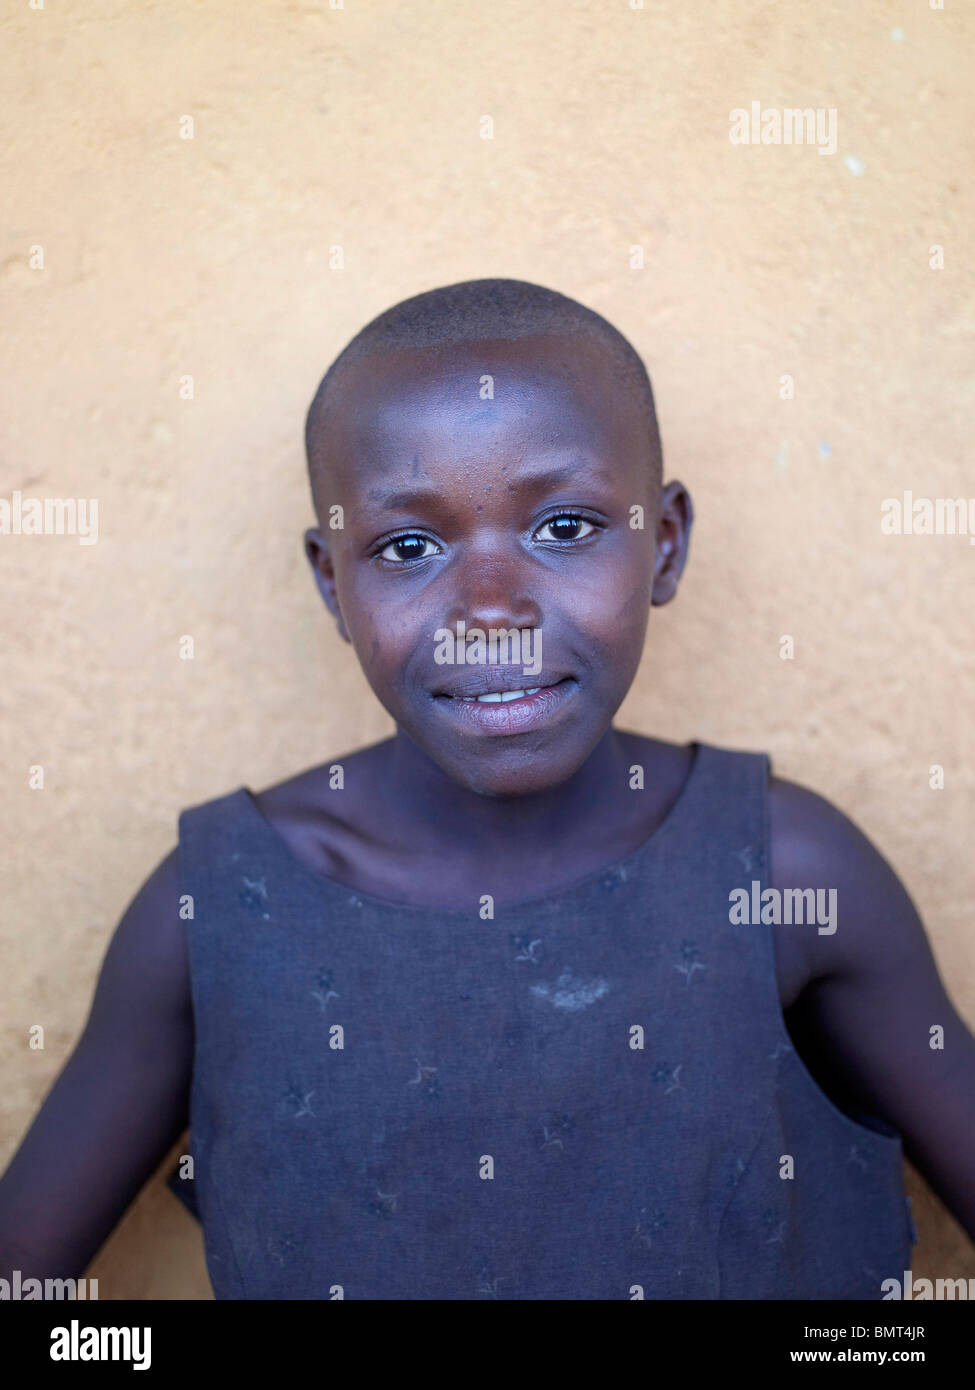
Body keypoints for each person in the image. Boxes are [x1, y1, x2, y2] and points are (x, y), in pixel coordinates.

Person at [1, 279, 972, 1300]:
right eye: (408, 547)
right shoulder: (214, 911)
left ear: (666, 544)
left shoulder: (787, 875)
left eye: (564, 528)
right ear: (335, 583)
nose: (491, 612)